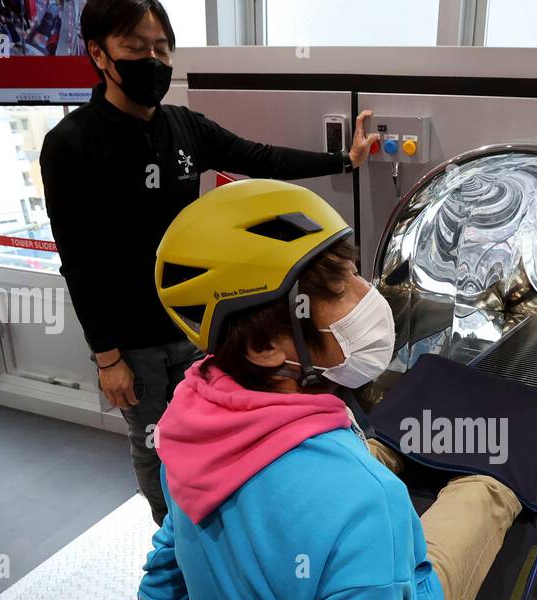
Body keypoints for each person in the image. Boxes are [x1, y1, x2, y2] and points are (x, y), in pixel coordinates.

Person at [133, 180, 523, 600]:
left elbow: (174, 525)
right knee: (484, 492)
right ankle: (492, 486)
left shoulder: (191, 407)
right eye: (338, 287)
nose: (366, 294)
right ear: (265, 346)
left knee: (362, 466)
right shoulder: (364, 507)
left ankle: (380, 451)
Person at [40, 0, 380, 525]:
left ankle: (223, 539)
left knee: (212, 432)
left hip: (201, 321)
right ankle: (176, 545)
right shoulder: (70, 143)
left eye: (161, 48)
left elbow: (261, 159)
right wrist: (107, 358)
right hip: (132, 339)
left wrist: (343, 161)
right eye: (135, 48)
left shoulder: (183, 127)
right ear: (99, 54)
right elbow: (77, 260)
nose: (152, 60)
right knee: (156, 443)